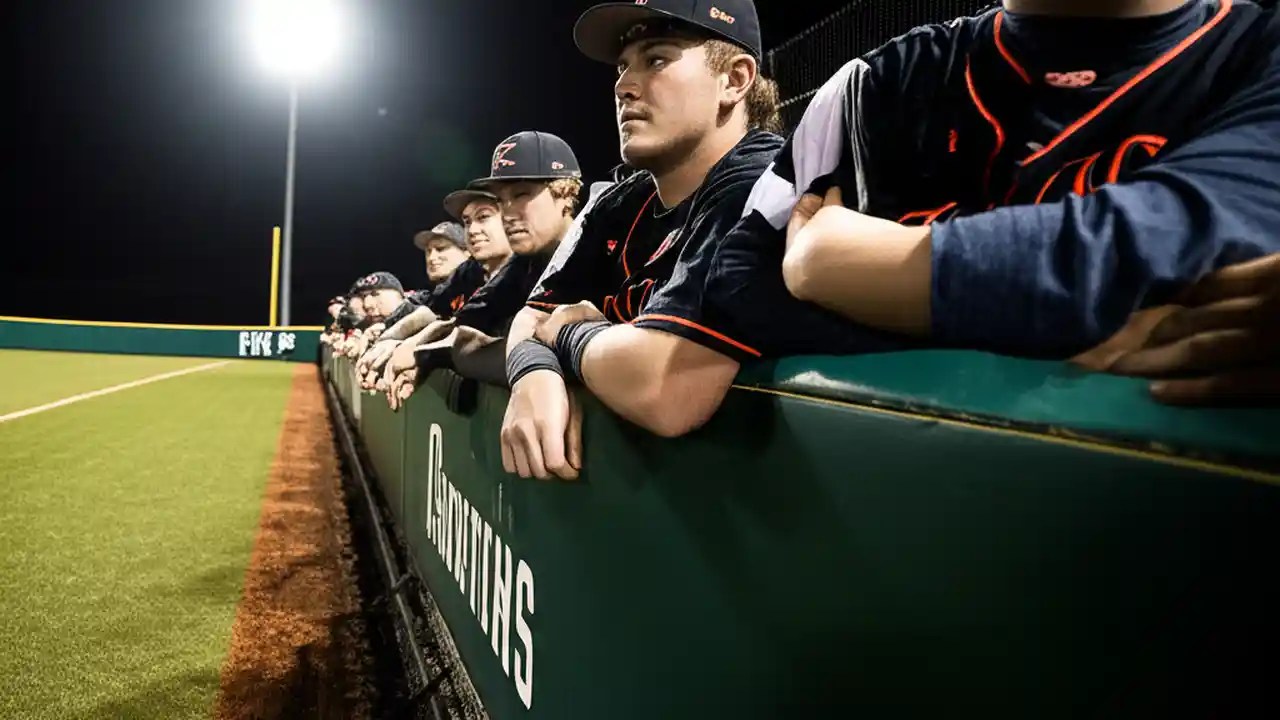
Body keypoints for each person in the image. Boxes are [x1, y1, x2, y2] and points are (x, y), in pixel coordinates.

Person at [729, 0, 1279, 401]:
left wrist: (831, 266)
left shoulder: (1256, 51)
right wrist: (1048, 319)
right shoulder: (878, 81)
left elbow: (1172, 241)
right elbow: (735, 287)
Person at [499, 0, 788, 480]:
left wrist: (567, 337)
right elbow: (534, 315)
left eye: (656, 59)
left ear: (735, 80)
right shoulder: (620, 201)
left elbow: (667, 389)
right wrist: (532, 371)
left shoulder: (765, 181)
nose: (623, 86)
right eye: (622, 66)